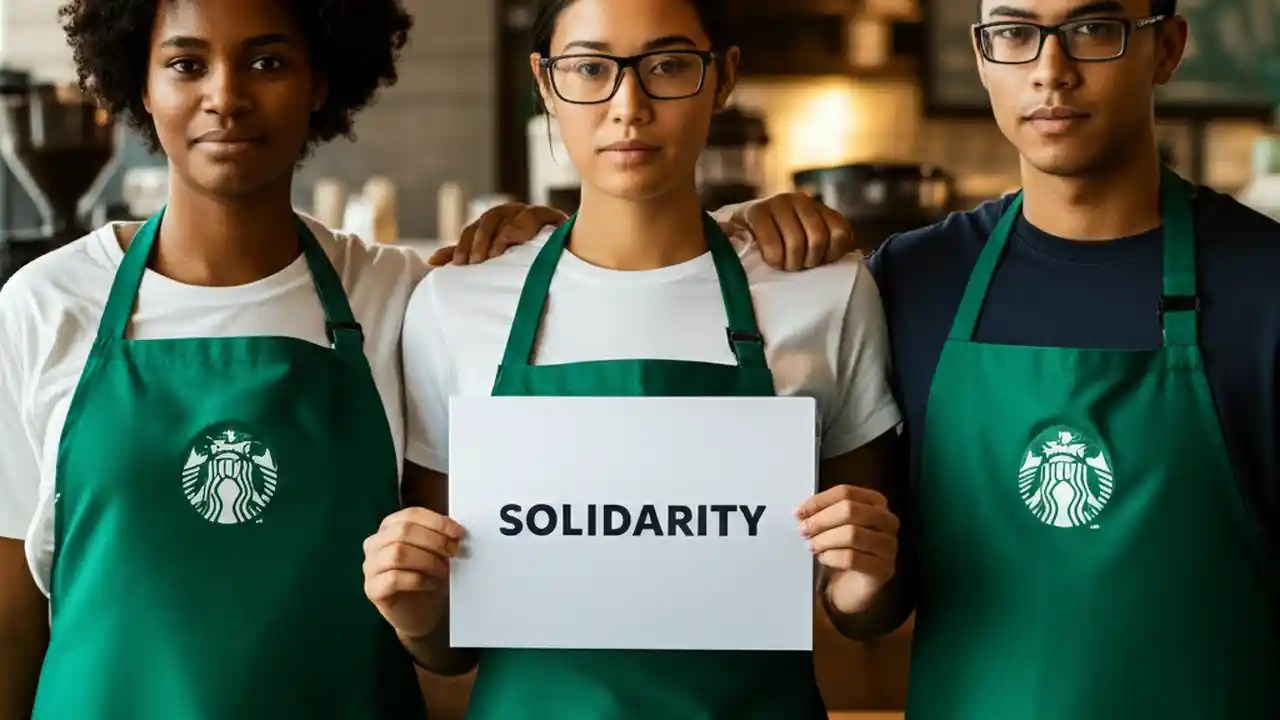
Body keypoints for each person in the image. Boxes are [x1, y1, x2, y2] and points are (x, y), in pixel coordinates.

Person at [0, 2, 854, 717]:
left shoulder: (403, 296)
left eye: (266, 62)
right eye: (185, 65)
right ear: (138, 83)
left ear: (320, 82)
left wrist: (746, 222)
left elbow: (599, 278)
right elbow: (9, 620)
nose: (225, 98)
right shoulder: (45, 306)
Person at [360, 0, 907, 717]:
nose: (629, 106)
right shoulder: (455, 305)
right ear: (546, 82)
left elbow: (869, 606)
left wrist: (865, 580)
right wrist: (412, 610)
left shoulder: (825, 294)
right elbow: (450, 643)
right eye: (590, 68)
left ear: (723, 77)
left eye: (669, 66)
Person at [856, 0, 1278, 717]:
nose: (1051, 71)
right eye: (1016, 33)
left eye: (1092, 30)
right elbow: (870, 604)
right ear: (984, 56)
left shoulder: (1265, 284)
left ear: (1167, 48)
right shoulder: (907, 282)